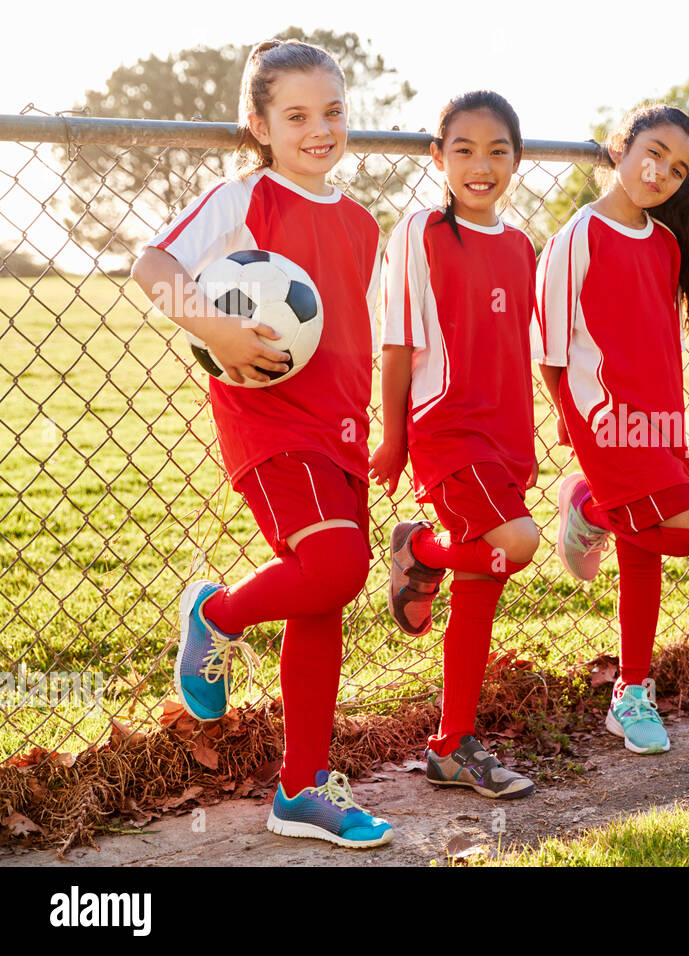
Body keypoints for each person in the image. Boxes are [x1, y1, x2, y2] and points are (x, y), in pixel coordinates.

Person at [130, 38, 392, 848]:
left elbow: (348, 331)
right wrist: (218, 332)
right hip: (271, 422)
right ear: (260, 124)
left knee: (325, 593)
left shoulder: (359, 221)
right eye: (298, 115)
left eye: (333, 112)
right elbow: (151, 264)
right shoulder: (244, 198)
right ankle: (217, 613)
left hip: (342, 426)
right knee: (338, 566)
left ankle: (303, 789)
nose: (320, 129)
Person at [370, 91, 538, 799]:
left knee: (487, 578)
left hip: (504, 437)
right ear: (438, 159)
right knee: (518, 541)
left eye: (497, 150)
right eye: (463, 150)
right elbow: (400, 340)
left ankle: (451, 746)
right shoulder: (420, 231)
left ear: (516, 162)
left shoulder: (522, 244)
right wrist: (393, 436)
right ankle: (420, 549)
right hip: (448, 430)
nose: (481, 164)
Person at [533, 105, 689, 755]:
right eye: (654, 152)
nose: (662, 172)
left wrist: (670, 419)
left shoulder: (666, 246)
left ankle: (631, 694)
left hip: (660, 421)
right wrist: (573, 421)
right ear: (620, 146)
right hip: (604, 420)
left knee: (645, 556)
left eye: (680, 168)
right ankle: (588, 501)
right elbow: (551, 349)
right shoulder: (574, 237)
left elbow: (659, 345)